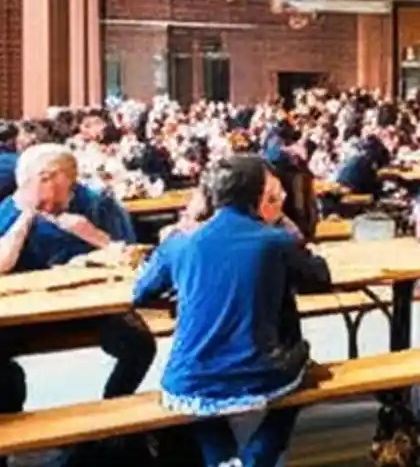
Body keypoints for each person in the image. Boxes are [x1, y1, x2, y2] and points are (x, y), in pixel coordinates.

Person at [134, 155, 331, 467]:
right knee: (304, 359)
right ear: (257, 196)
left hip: (186, 381)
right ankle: (257, 458)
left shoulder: (180, 241)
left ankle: (222, 459)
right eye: (272, 193)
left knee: (201, 395)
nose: (278, 197)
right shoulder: (275, 240)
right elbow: (319, 278)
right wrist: (282, 223)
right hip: (263, 376)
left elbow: (141, 291)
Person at [0, 144, 156, 457]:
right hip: (21, 314)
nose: (74, 189)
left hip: (86, 306)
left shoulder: (92, 206)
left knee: (139, 344)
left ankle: (113, 423)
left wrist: (94, 236)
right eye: (69, 181)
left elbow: (132, 259)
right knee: (6, 376)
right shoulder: (6, 211)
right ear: (46, 177)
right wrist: (27, 218)